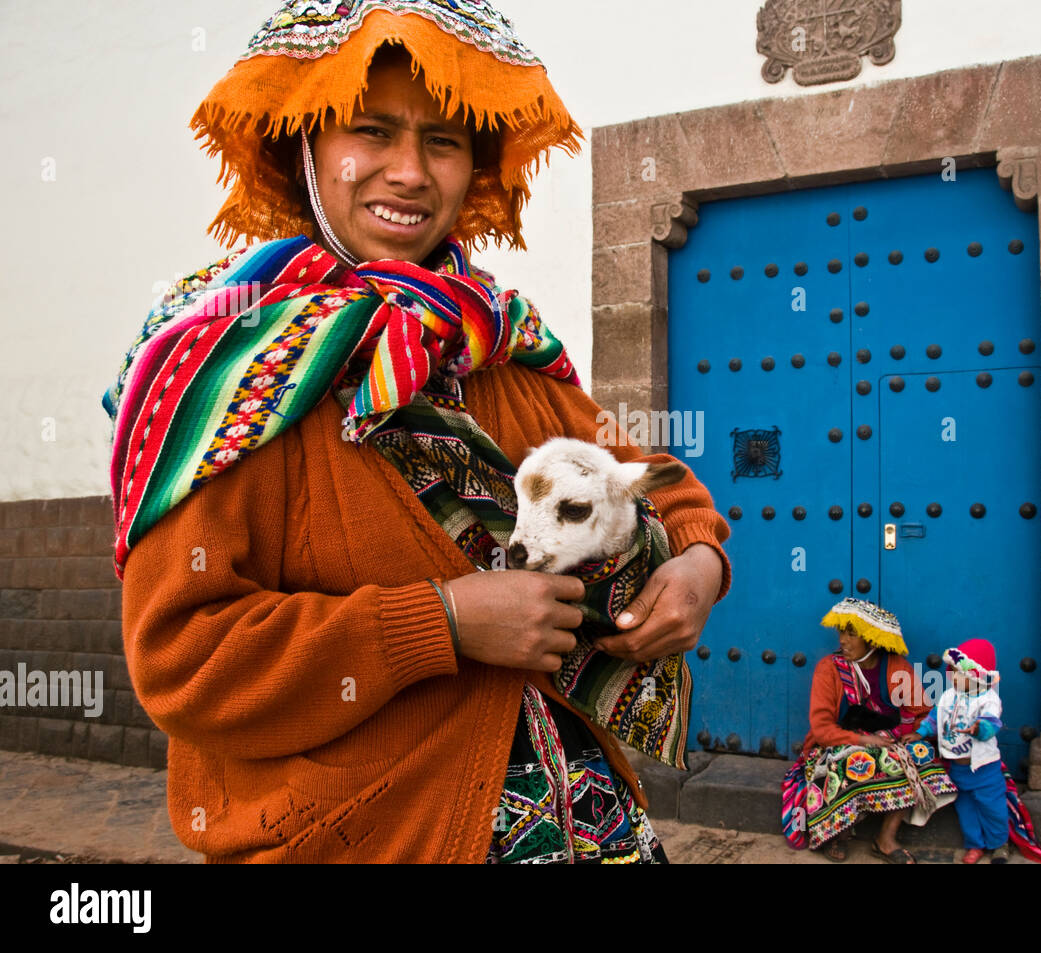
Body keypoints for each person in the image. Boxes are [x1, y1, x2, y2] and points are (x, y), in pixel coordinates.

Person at [103, 0, 730, 863]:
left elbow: (635, 470)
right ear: (307, 147)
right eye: (372, 131)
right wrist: (440, 622)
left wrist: (699, 560)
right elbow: (184, 659)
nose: (408, 171)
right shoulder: (223, 376)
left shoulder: (498, 343)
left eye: (442, 140)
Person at [781, 598, 956, 863]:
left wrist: (907, 734)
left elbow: (921, 712)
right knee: (849, 758)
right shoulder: (829, 670)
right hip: (836, 744)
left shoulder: (896, 667)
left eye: (852, 634)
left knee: (918, 754)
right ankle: (840, 831)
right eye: (841, 632)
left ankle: (885, 838)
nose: (843, 640)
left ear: (871, 639)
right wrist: (863, 739)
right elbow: (822, 730)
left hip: (885, 743)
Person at [903, 639, 1011, 864]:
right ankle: (975, 844)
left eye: (958, 673)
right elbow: (935, 718)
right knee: (966, 809)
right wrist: (921, 733)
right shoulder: (949, 696)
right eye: (951, 671)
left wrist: (979, 728)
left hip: (983, 768)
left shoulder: (988, 699)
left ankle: (999, 844)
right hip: (958, 769)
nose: (952, 676)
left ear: (976, 676)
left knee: (992, 807)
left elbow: (992, 722)